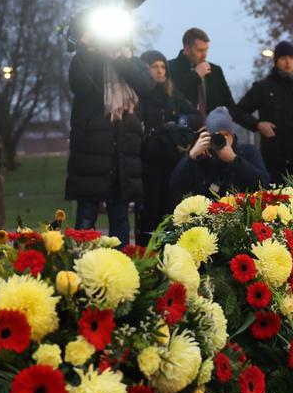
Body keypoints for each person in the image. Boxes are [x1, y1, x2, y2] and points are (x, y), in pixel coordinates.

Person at [64, 24, 152, 245]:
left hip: (123, 153)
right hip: (91, 153)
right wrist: (85, 49)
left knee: (120, 218)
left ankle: (120, 268)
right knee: (86, 217)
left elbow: (147, 86)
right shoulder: (87, 60)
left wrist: (120, 59)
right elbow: (80, 84)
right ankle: (80, 265)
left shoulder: (132, 61)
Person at [236, 41, 293, 183]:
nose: (288, 62)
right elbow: (238, 112)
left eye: (291, 58)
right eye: (283, 58)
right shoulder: (263, 87)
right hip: (273, 162)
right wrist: (257, 124)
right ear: (276, 61)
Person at [136, 49, 200, 244]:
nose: (160, 71)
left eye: (163, 66)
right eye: (154, 66)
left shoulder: (172, 94)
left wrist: (181, 122)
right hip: (148, 162)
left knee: (170, 210)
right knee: (149, 211)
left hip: (172, 161)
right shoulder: (139, 95)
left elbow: (196, 116)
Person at [168, 107, 270, 200]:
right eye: (216, 136)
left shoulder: (248, 152)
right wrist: (191, 156)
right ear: (208, 137)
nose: (221, 140)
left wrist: (234, 160)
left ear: (232, 135)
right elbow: (175, 187)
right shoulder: (202, 157)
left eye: (225, 135)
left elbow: (264, 184)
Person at [167, 28, 254, 129]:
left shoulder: (215, 71)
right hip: (182, 130)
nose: (204, 55)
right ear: (186, 49)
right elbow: (171, 96)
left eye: (206, 49)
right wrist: (195, 76)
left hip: (212, 133)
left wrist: (255, 124)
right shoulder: (170, 68)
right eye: (199, 50)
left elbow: (229, 106)